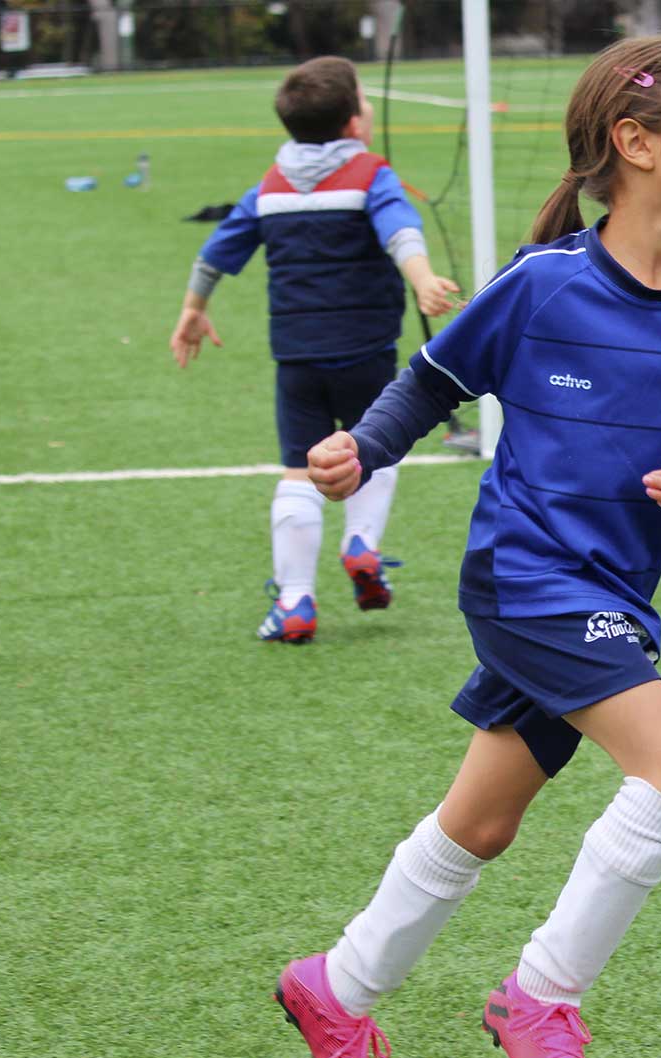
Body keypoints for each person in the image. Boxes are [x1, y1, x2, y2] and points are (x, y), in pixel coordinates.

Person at [273, 33, 661, 1058]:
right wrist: (363, 449)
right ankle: (543, 996)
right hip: (527, 578)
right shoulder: (542, 285)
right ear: (636, 143)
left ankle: (339, 986)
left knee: (483, 824)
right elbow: (433, 380)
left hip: (619, 594)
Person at [169, 55, 459, 642]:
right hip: (367, 351)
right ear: (355, 121)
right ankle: (362, 544)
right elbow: (400, 231)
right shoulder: (371, 175)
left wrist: (193, 309)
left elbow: (215, 254)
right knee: (372, 446)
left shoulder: (269, 187)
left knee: (299, 471)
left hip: (298, 360)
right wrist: (423, 278)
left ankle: (296, 603)